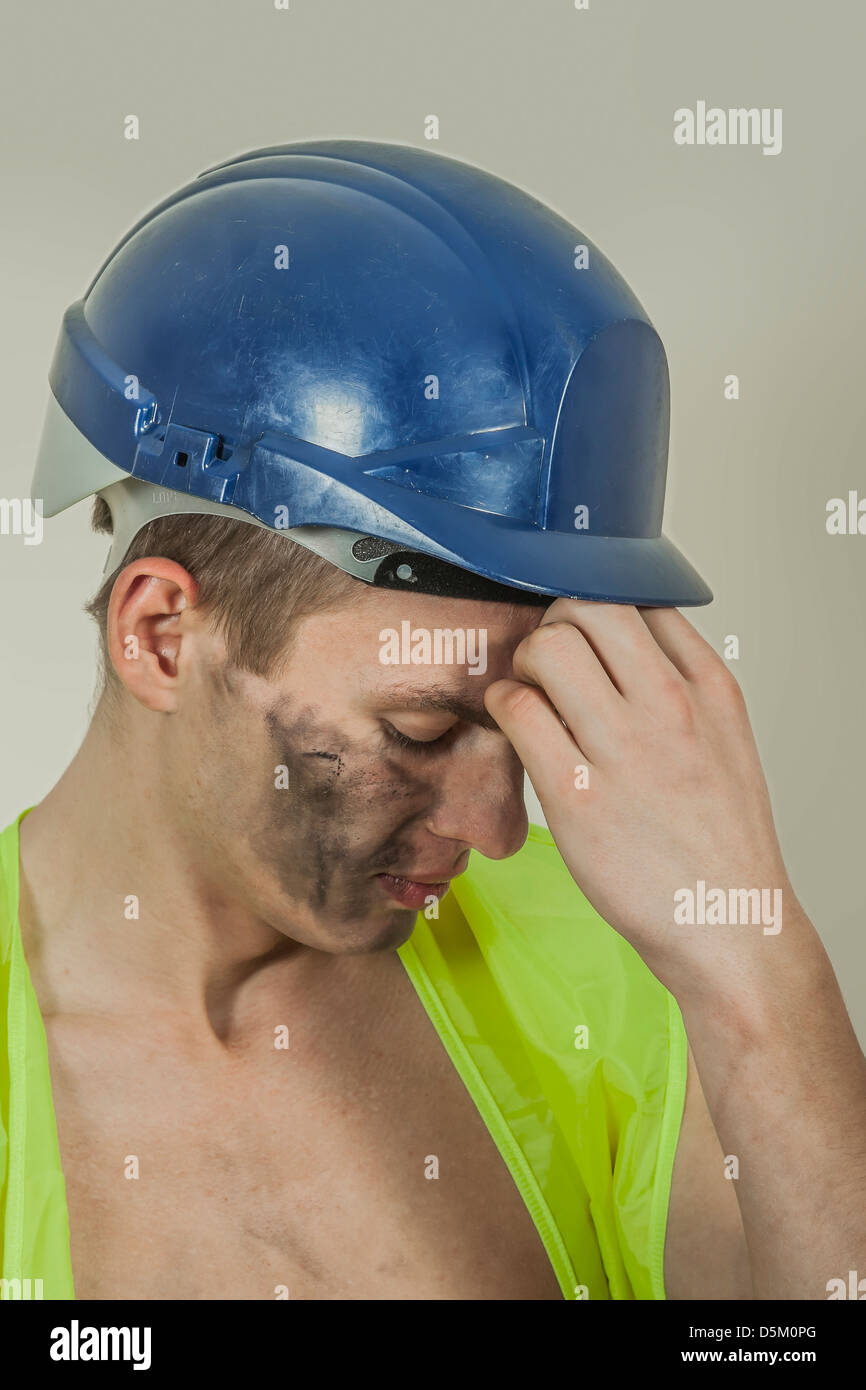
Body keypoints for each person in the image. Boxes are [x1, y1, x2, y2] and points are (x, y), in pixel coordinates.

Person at [2, 141, 863, 1302]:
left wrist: (754, 960)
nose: (500, 830)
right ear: (162, 635)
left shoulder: (612, 962)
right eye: (417, 729)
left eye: (527, 727)